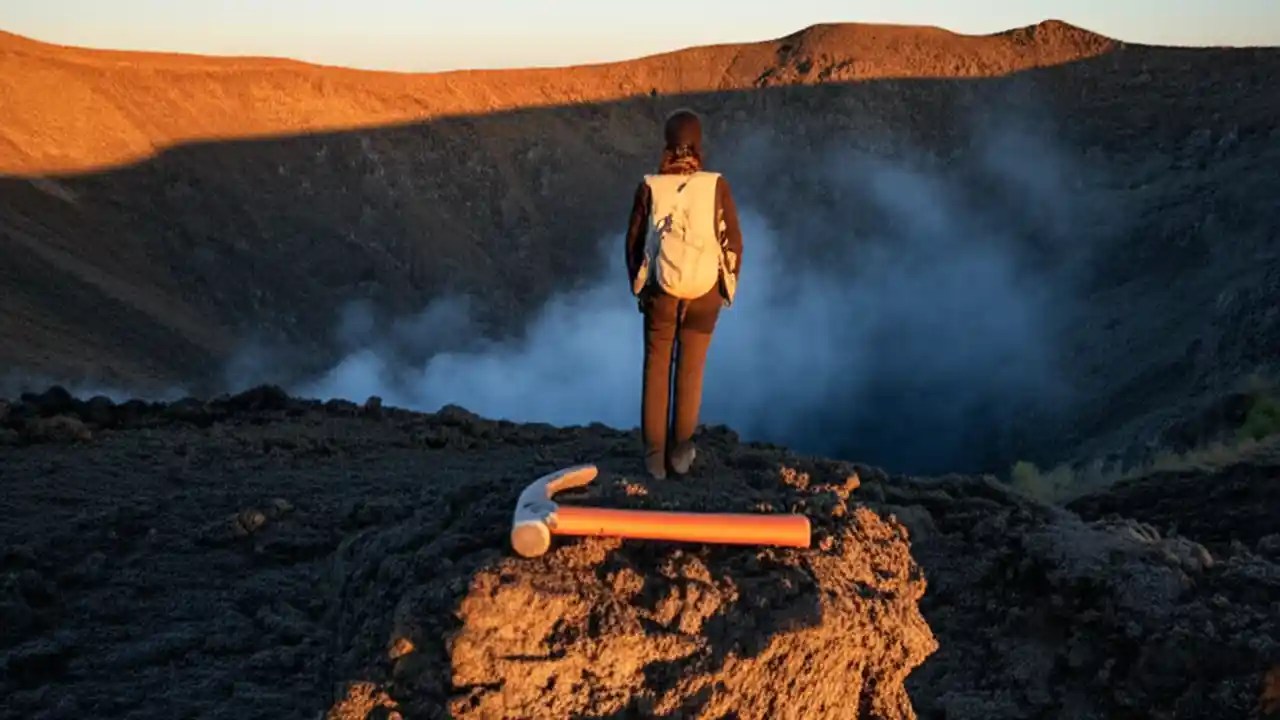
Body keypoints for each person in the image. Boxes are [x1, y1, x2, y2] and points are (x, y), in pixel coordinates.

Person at [624, 109, 743, 480]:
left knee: (656, 369)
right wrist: (726, 285)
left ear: (666, 143)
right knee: (691, 371)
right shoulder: (716, 185)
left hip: (661, 291)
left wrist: (639, 287)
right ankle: (681, 455)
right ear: (698, 142)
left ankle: (654, 461)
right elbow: (733, 240)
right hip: (705, 292)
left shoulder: (650, 186)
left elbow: (634, 242)